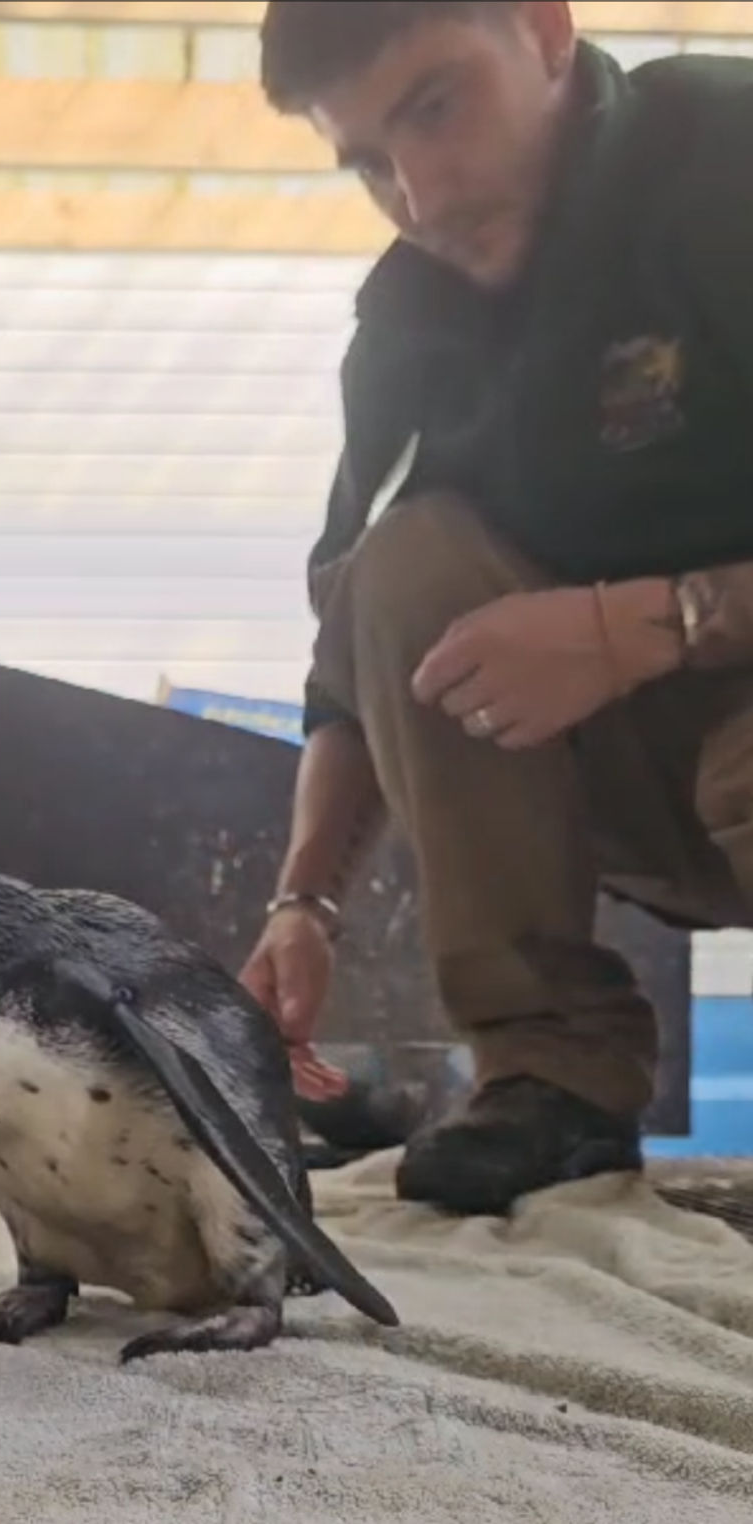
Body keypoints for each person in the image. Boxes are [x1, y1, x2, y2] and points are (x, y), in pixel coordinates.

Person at [238, 0, 753, 1215]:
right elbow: (347, 657)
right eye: (367, 161)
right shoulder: (409, 321)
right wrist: (303, 904)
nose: (420, 194)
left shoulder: (726, 159)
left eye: (435, 106)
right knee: (405, 564)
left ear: (543, 27)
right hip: (652, 789)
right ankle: (552, 1078)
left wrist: (633, 628)